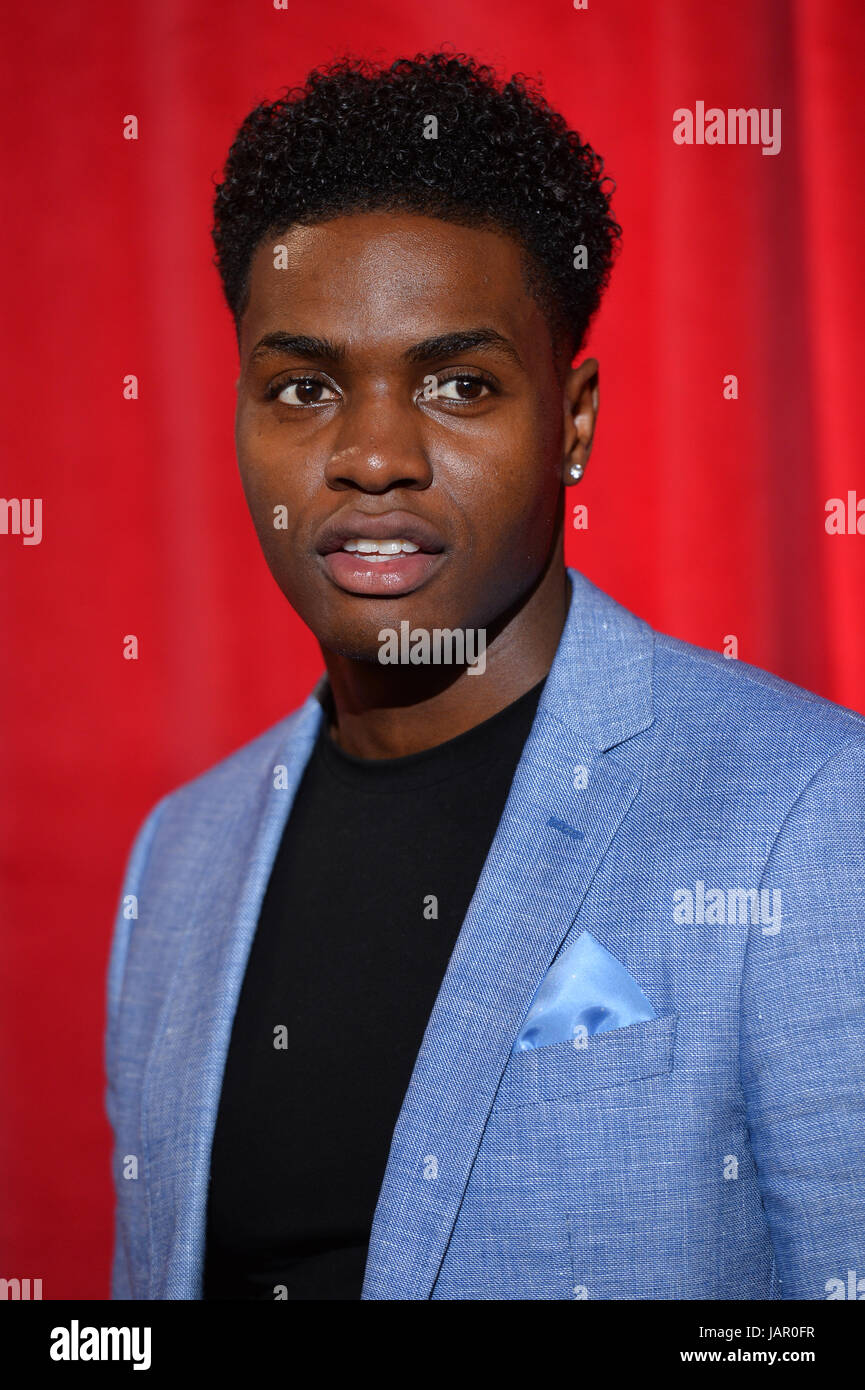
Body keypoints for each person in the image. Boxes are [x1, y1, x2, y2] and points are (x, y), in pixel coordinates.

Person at [105, 51, 865, 1301]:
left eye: (459, 384)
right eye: (304, 388)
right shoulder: (177, 861)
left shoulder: (805, 815)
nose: (373, 455)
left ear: (570, 422)